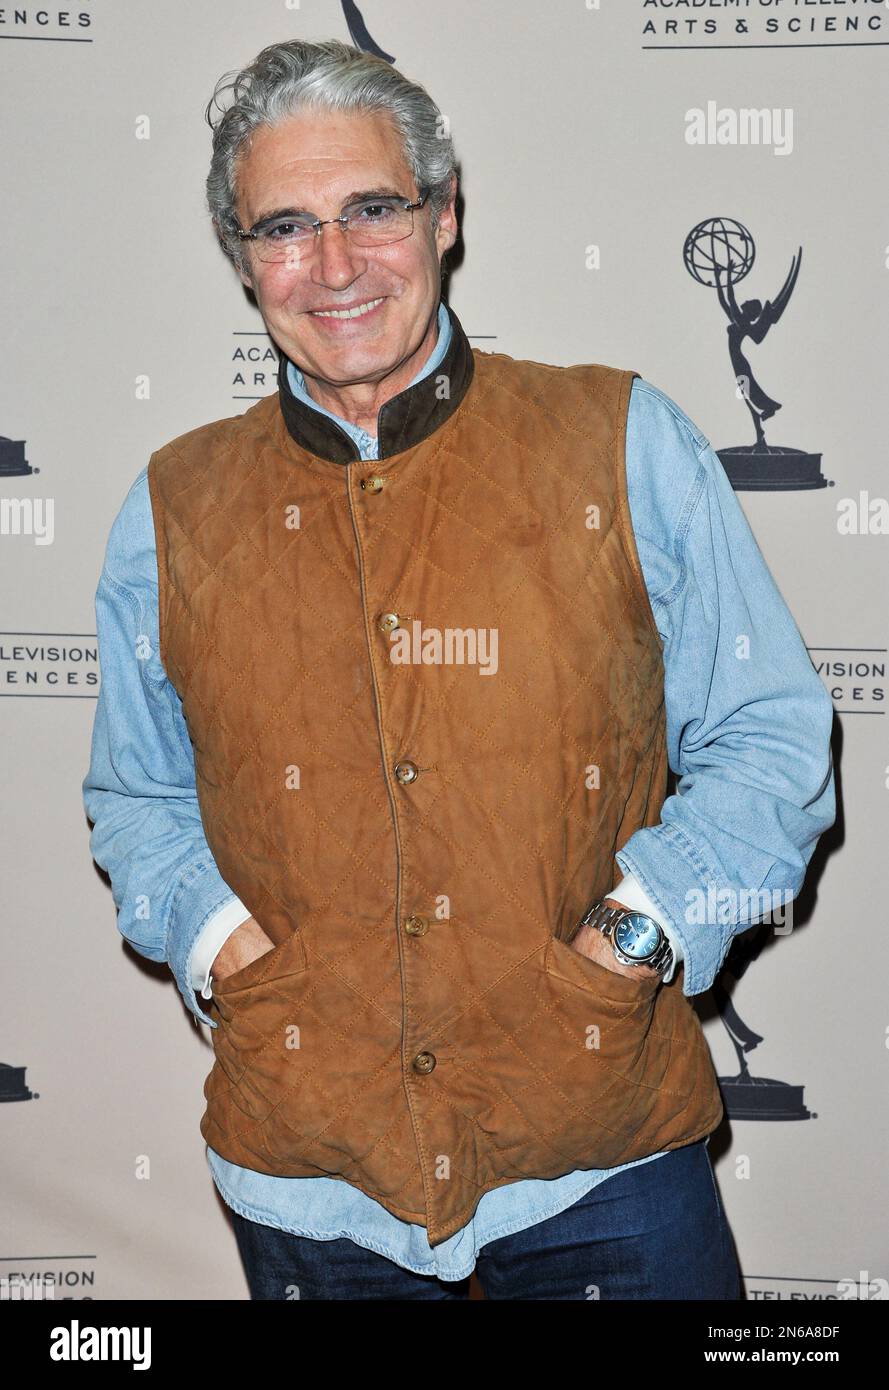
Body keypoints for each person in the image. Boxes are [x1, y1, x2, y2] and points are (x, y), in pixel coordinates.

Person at [82, 38, 835, 1301]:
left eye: (371, 208)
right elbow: (139, 797)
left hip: (605, 1156)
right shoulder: (170, 506)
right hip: (307, 1169)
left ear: (442, 215)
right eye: (285, 226)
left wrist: (637, 930)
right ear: (242, 255)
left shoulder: (623, 440)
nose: (332, 265)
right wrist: (225, 948)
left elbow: (768, 735)